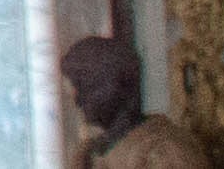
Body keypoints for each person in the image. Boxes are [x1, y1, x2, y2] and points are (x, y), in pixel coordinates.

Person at [62, 35, 204, 169]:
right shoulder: (87, 156)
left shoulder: (165, 153)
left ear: (115, 85)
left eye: (85, 88)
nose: (77, 101)